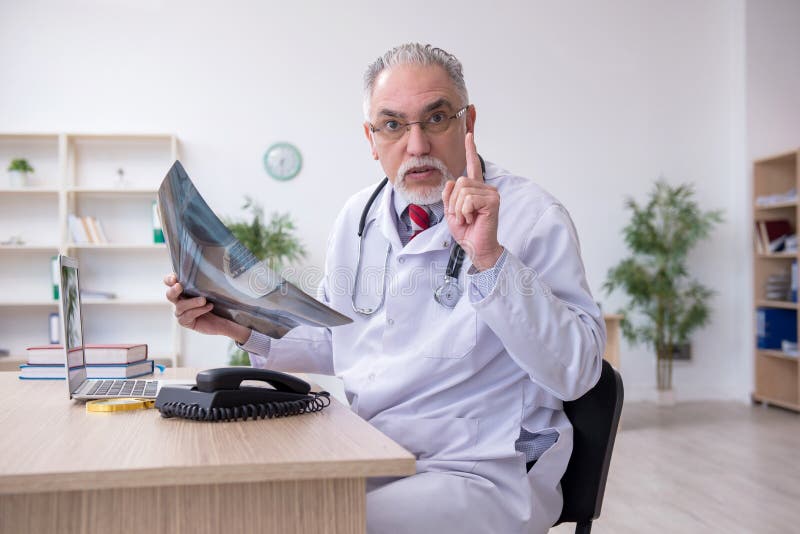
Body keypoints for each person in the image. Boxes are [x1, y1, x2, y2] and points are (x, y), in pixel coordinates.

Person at [165, 43, 605, 534]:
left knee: (316, 523)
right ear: (371, 138)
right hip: (367, 453)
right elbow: (340, 342)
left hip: (481, 471)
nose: (416, 146)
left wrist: (489, 258)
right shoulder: (358, 217)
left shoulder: (531, 217)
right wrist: (239, 325)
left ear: (469, 122)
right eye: (393, 125)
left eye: (435, 118)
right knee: (239, 506)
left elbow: (578, 372)